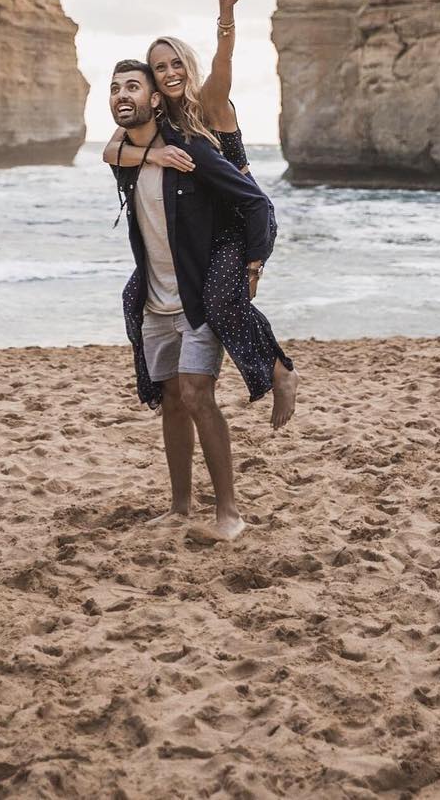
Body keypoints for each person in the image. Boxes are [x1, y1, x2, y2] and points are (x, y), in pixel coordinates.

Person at [103, 0, 298, 428]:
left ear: (187, 66)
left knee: (220, 301)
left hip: (242, 215)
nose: (168, 73)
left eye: (175, 64)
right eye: (159, 68)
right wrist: (155, 158)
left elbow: (224, 63)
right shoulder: (158, 123)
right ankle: (154, 383)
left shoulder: (207, 103)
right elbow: (112, 151)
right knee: (136, 292)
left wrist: (225, 15)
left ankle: (279, 372)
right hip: (207, 225)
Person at [107, 59, 274, 541]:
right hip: (155, 303)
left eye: (133, 87)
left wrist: (252, 265)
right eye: (115, 88)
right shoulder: (127, 160)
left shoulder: (189, 150)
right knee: (172, 402)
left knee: (199, 396)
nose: (123, 94)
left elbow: (255, 201)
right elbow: (111, 152)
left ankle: (229, 514)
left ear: (155, 99)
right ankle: (179, 507)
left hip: (198, 298)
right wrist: (145, 157)